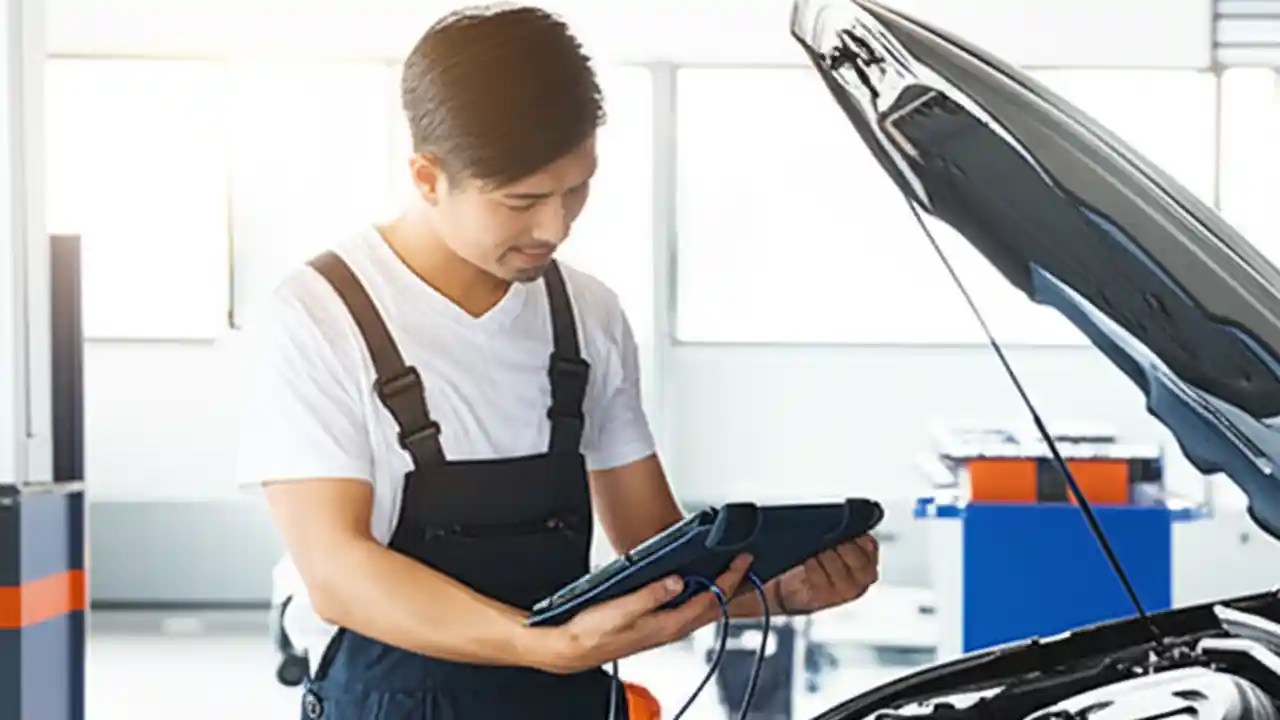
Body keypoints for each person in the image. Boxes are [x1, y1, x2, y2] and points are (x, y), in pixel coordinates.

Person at [235, 4, 881, 719]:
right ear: (427, 177)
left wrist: (774, 591)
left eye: (577, 188)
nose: (555, 225)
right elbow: (337, 573)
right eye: (523, 200)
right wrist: (541, 645)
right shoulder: (315, 317)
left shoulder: (587, 314)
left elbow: (652, 543)